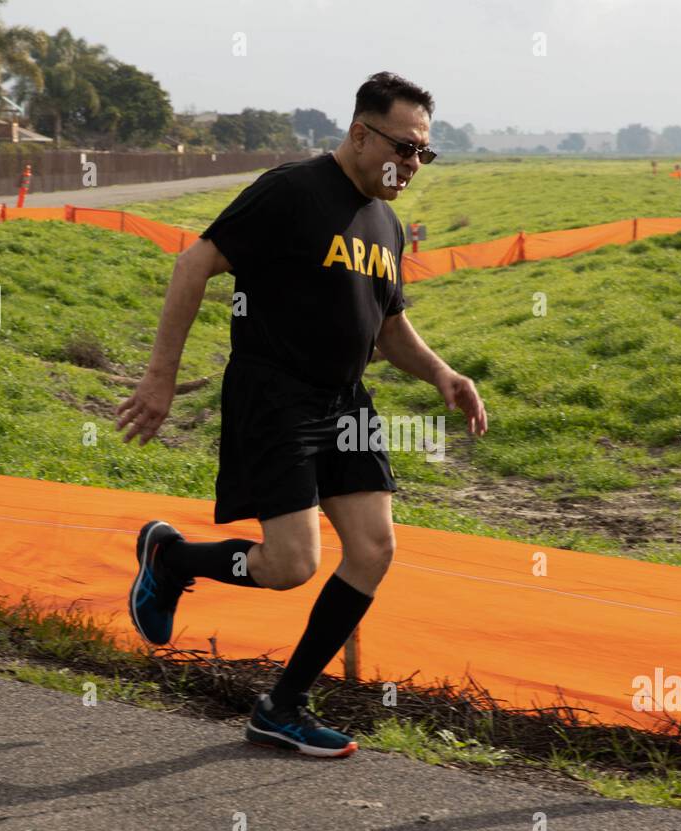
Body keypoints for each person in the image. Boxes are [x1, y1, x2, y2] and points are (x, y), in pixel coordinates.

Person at [115, 71, 487, 758]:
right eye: (403, 149)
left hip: (346, 400)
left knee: (374, 548)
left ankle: (282, 706)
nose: (410, 165)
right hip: (275, 393)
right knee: (290, 565)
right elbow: (194, 263)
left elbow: (387, 328)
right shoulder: (291, 191)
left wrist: (442, 372)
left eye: (422, 154)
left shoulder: (387, 223)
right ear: (358, 131)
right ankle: (171, 559)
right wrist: (160, 380)